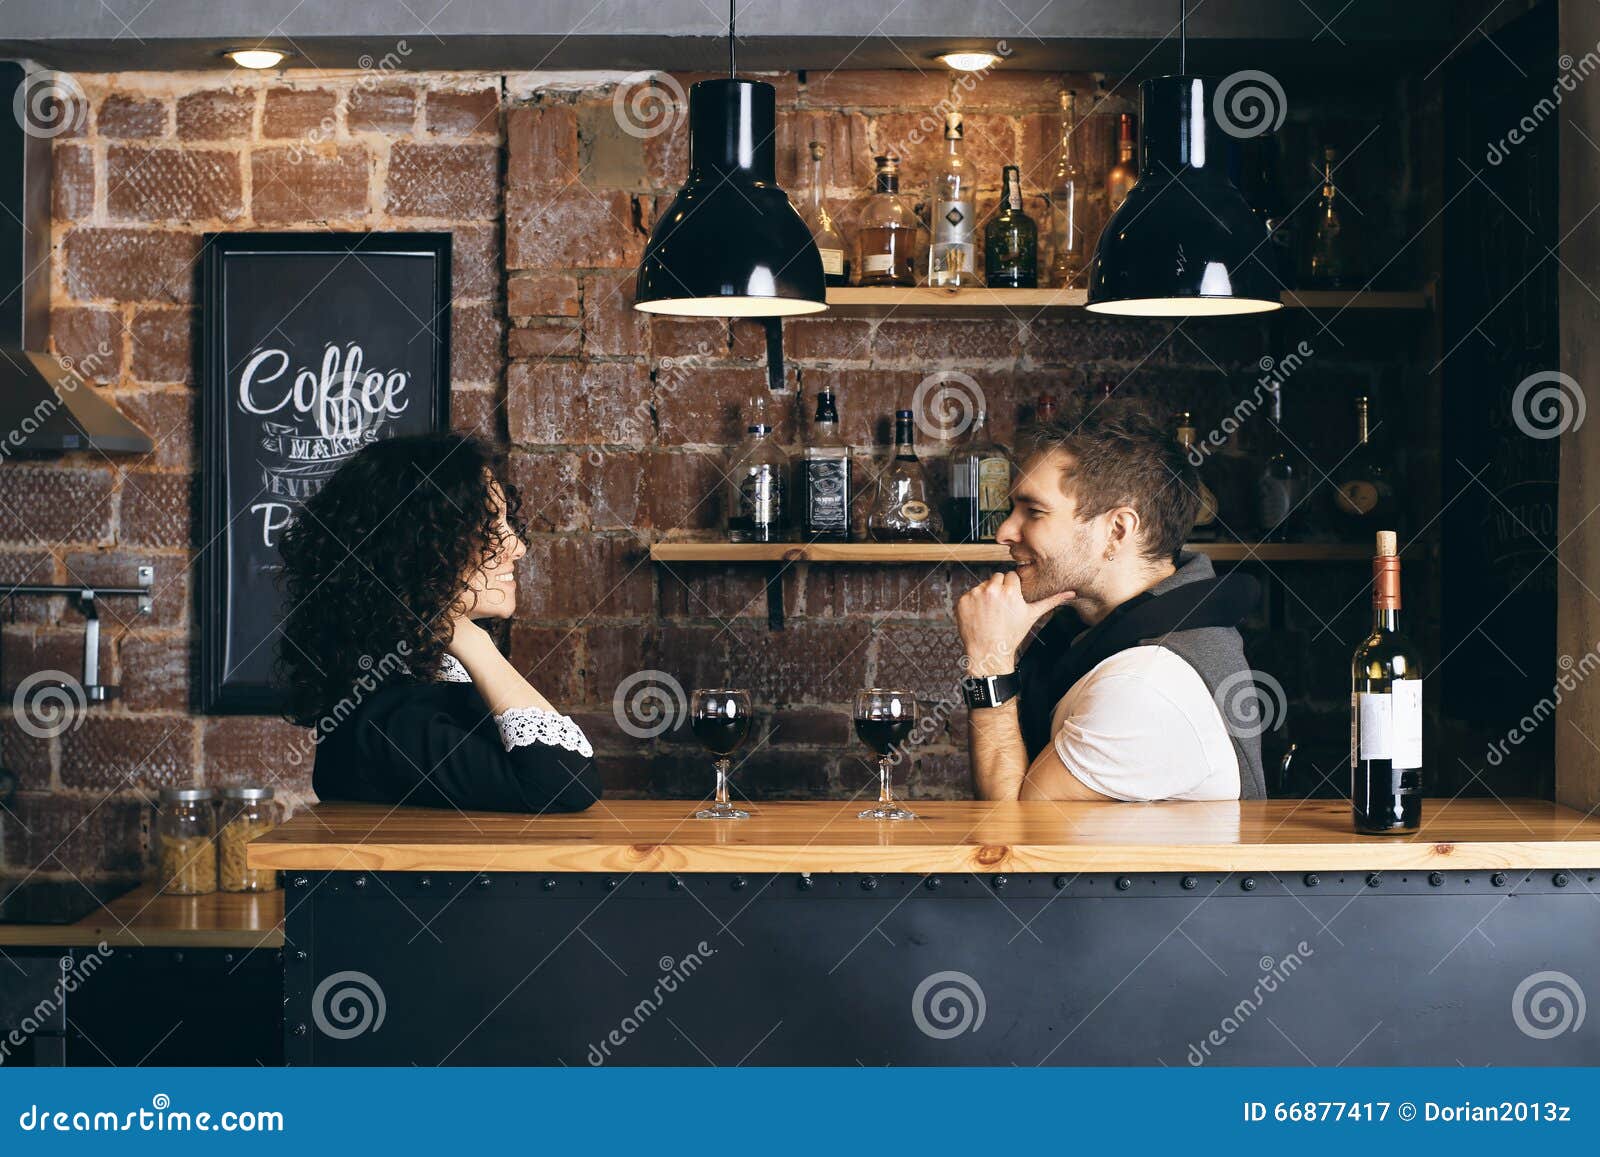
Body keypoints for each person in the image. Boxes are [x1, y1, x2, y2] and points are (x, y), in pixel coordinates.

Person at [954, 401, 1267, 802]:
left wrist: (987, 664)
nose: (1004, 532)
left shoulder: (1146, 684)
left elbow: (1011, 835)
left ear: (1118, 530)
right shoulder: (1106, 634)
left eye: (1034, 511)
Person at [276, 433, 601, 814]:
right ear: (416, 551)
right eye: (488, 527)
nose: (517, 546)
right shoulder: (390, 720)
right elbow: (568, 785)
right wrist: (470, 639)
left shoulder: (424, 684)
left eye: (505, 523)